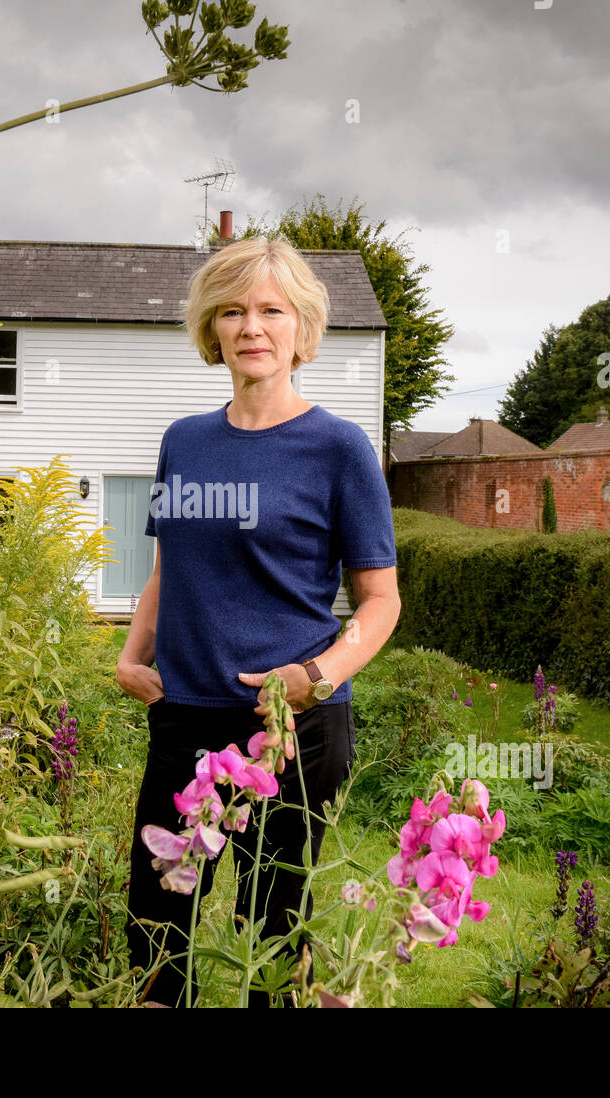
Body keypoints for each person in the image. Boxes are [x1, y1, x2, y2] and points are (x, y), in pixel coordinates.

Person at [116, 234, 400, 1008]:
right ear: (211, 329)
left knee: (272, 934)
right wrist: (130, 653)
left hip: (293, 730)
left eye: (272, 310)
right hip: (185, 718)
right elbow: (169, 565)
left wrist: (314, 679)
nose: (252, 327)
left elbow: (381, 602)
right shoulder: (185, 441)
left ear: (301, 329)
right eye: (233, 310)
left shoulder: (339, 448)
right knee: (156, 922)